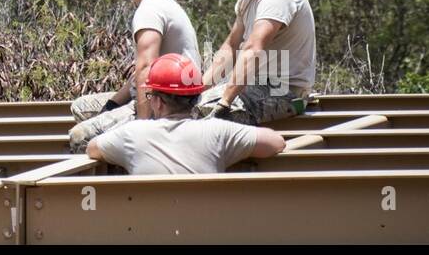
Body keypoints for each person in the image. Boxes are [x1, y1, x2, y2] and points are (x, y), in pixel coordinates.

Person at [68, 0, 199, 152]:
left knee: (80, 138)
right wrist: (114, 103)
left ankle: (121, 178)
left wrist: (143, 126)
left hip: (169, 102)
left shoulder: (149, 10)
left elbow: (146, 68)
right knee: (81, 107)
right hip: (170, 94)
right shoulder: (157, 2)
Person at [87, 53, 286, 174]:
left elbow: (92, 148)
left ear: (156, 101)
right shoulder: (219, 131)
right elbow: (276, 142)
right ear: (196, 98)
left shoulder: (131, 134)